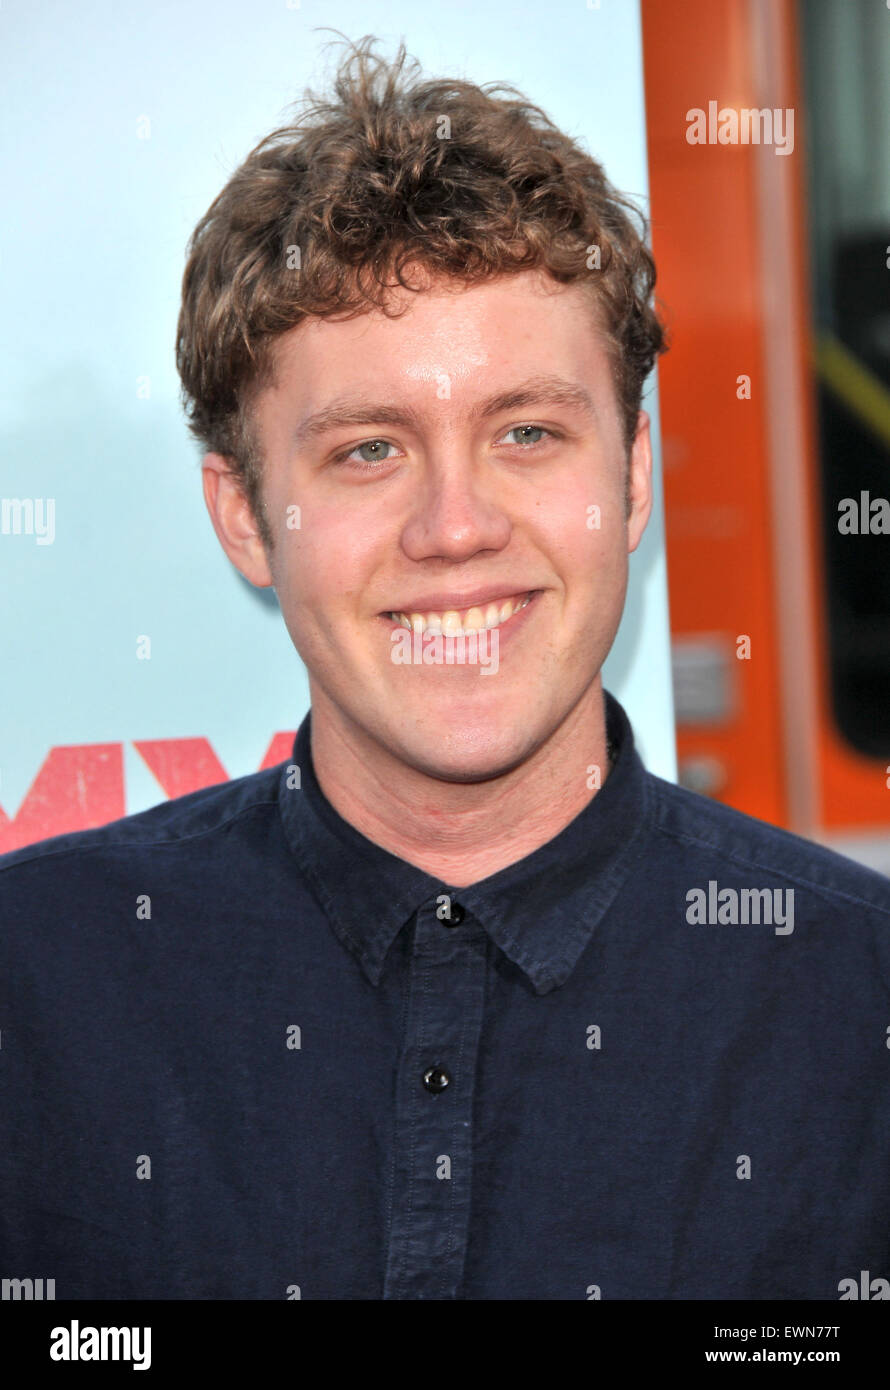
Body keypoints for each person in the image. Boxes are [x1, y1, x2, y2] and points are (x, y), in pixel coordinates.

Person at [2, 37, 889, 1302]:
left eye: (526, 432)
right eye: (368, 451)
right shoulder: (33, 988)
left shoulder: (858, 1005)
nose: (455, 526)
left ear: (630, 478)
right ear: (244, 516)